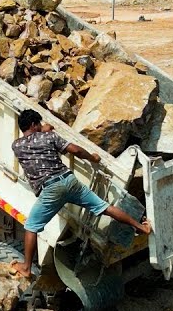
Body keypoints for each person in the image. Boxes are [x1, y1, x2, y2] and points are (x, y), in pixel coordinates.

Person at [10, 108, 151, 277]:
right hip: (69, 181)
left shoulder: (16, 146)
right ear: (34, 124)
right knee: (105, 207)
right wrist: (93, 158)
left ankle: (25, 268)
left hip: (50, 189)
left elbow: (33, 137)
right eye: (38, 124)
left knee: (31, 227)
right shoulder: (49, 137)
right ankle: (141, 227)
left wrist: (42, 129)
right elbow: (75, 150)